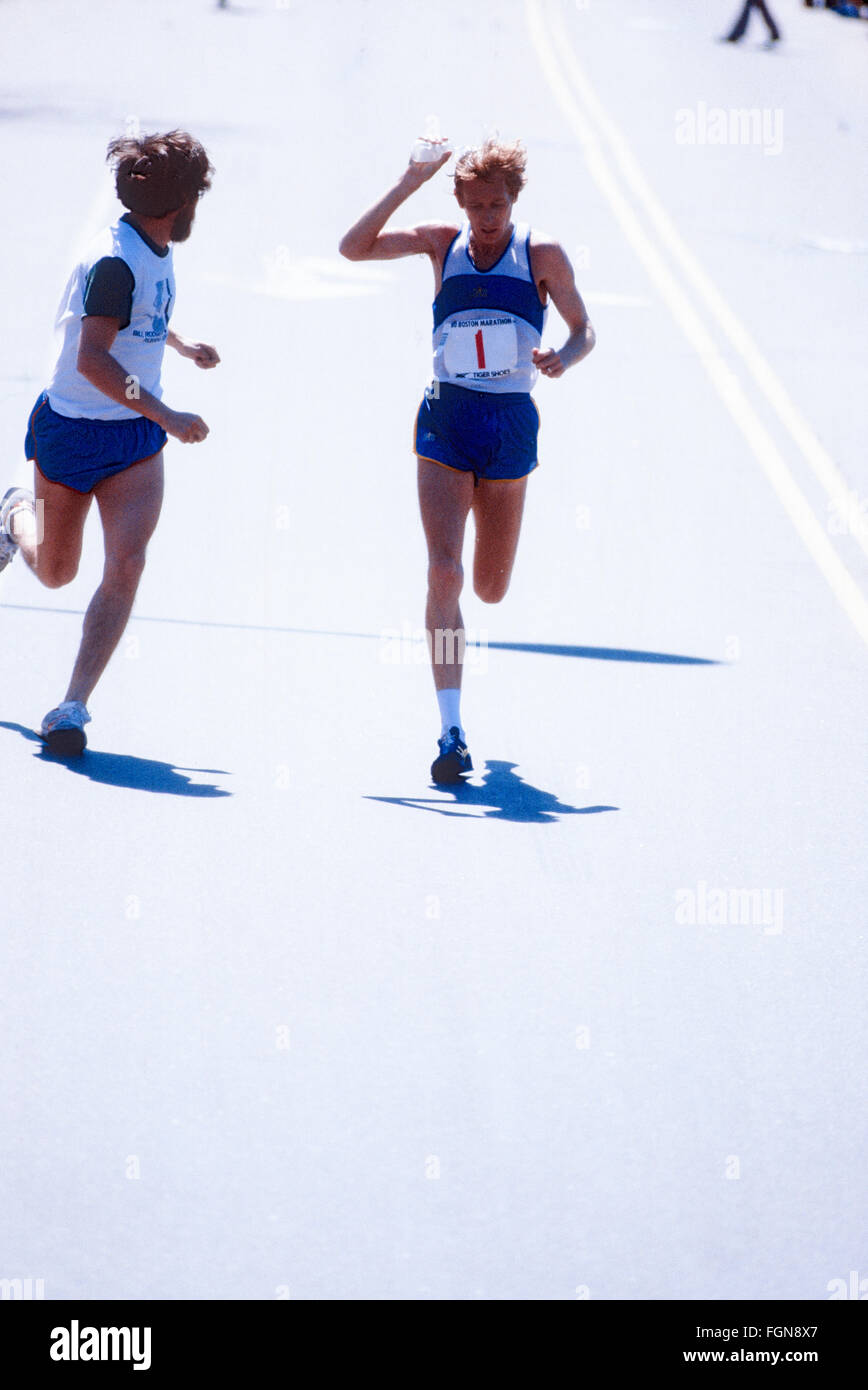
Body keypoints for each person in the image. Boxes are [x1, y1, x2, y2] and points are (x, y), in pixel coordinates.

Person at [340, 137, 595, 782]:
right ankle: (451, 729)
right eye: (476, 204)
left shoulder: (541, 253)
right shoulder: (440, 242)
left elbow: (584, 328)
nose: (487, 216)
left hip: (509, 425)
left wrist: (563, 358)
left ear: (515, 200)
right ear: (459, 201)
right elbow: (354, 247)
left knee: (489, 586)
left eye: (498, 204)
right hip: (445, 420)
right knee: (444, 573)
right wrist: (409, 181)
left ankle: (461, 713)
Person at [0, 130, 219, 756]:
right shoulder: (115, 262)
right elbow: (93, 358)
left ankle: (72, 706)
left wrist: (178, 346)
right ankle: (15, 513)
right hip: (71, 430)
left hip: (133, 442)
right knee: (57, 573)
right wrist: (170, 414)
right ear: (183, 204)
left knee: (127, 562)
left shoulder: (151, 243)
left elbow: (139, 314)